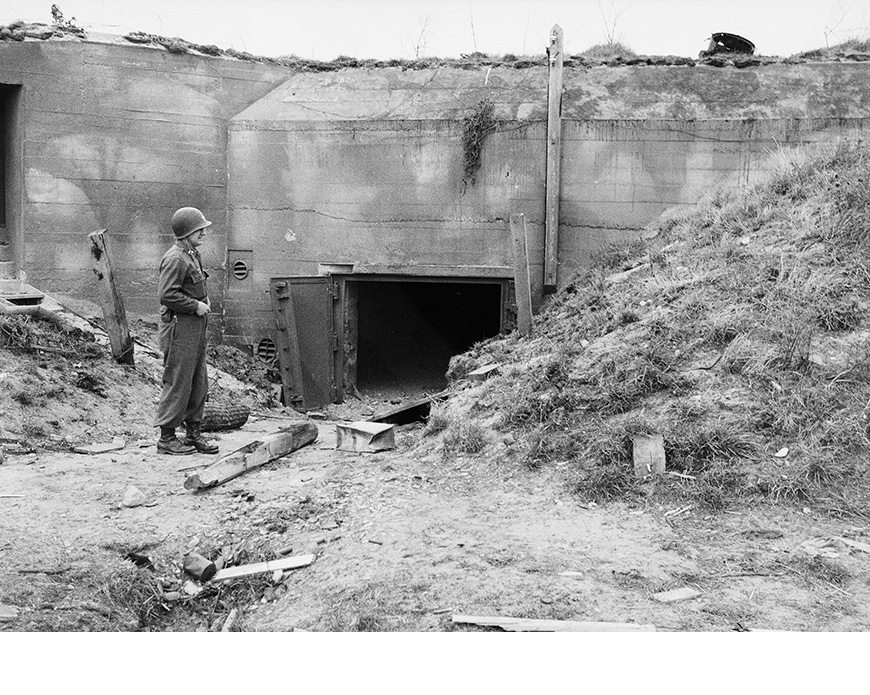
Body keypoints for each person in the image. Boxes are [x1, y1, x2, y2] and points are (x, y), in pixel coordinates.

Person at [153, 207, 220, 456]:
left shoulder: (192, 255)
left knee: (198, 381)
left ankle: (193, 434)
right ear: (186, 233)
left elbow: (195, 285)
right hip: (180, 329)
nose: (203, 233)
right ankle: (167, 438)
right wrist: (196, 306)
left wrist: (204, 301)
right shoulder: (175, 258)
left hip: (195, 327)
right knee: (178, 381)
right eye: (198, 230)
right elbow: (167, 294)